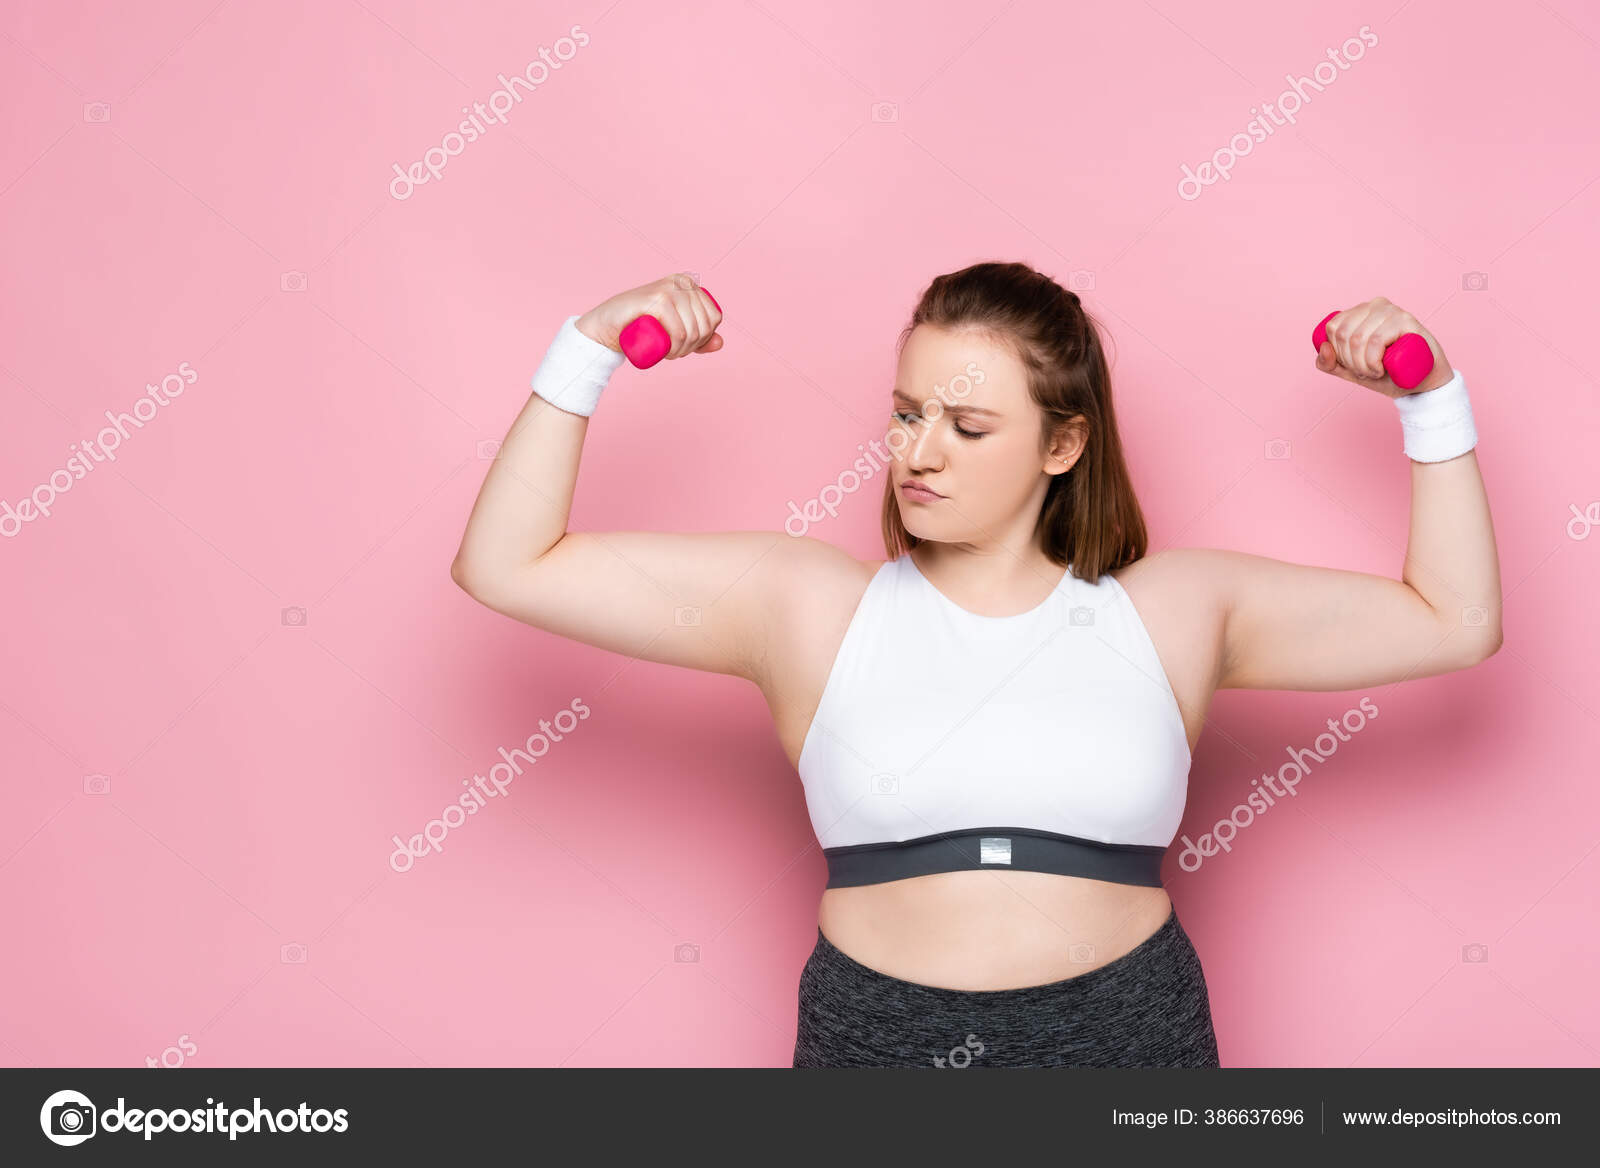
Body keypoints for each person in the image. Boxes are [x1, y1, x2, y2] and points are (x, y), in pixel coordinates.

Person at [451, 263, 1502, 1067]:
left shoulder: (1176, 609)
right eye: (907, 415)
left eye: (966, 425)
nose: (917, 452)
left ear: (1061, 444)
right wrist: (584, 350)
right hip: (877, 1041)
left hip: (1126, 1038)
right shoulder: (803, 605)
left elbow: (1452, 620)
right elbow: (508, 563)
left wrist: (1431, 398)